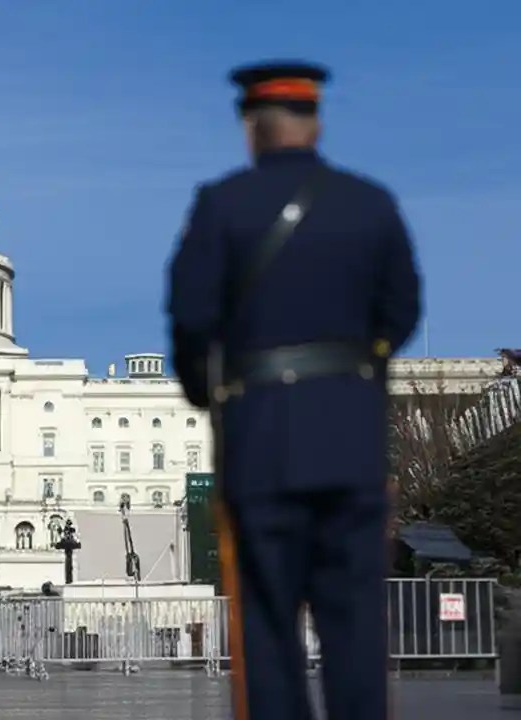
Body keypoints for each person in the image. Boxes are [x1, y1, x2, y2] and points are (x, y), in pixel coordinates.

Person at [166, 61, 422, 720]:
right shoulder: (371, 203)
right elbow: (403, 311)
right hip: (350, 444)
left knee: (269, 629)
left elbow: (192, 320)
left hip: (261, 445)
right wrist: (355, 375)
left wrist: (210, 391)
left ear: (252, 127)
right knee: (357, 626)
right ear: (316, 121)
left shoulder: (221, 206)